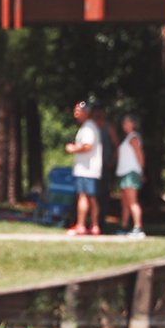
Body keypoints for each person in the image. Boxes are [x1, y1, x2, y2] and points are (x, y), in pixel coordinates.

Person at [65, 99, 104, 235]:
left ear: (85, 113)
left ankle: (81, 226)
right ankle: (94, 226)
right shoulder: (89, 126)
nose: (75, 113)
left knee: (84, 196)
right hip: (89, 169)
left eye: (78, 111)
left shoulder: (88, 127)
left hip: (87, 169)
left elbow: (87, 146)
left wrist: (73, 149)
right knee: (91, 198)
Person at [115, 114, 145, 238]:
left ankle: (138, 227)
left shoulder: (133, 138)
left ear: (133, 124)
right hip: (123, 173)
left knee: (133, 202)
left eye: (127, 122)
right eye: (123, 122)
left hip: (131, 173)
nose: (124, 125)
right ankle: (124, 226)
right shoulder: (127, 138)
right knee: (125, 203)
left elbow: (140, 156)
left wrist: (141, 171)